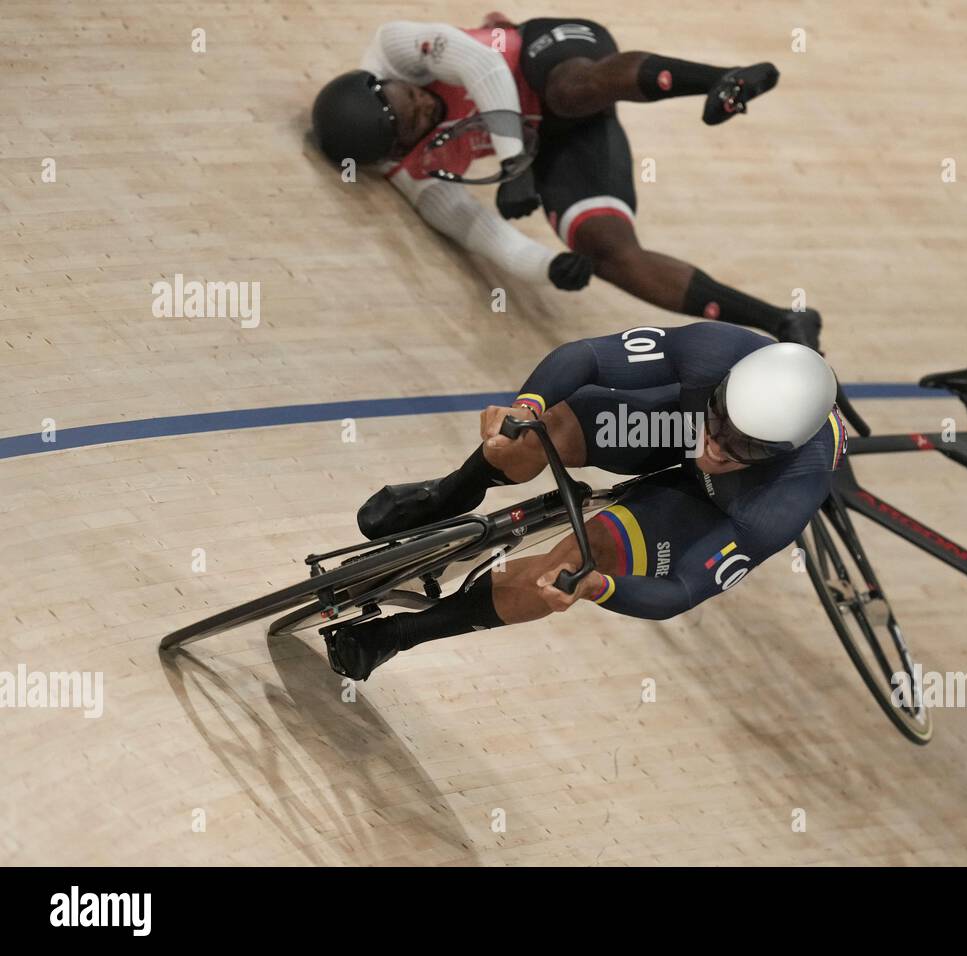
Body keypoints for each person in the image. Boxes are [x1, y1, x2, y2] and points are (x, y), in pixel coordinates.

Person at [326, 321, 848, 680]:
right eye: (722, 417)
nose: (718, 444)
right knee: (534, 433)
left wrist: (598, 588)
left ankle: (401, 633)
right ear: (726, 383)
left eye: (745, 445)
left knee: (576, 564)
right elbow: (589, 358)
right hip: (673, 423)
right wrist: (524, 405)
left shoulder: (781, 502)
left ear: (782, 452)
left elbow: (682, 589)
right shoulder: (715, 350)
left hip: (712, 503)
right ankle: (449, 494)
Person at [311, 13, 821, 349]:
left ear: (383, 80)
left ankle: (725, 80)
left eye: (413, 95)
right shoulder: (412, 174)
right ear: (397, 149)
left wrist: (513, 165)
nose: (425, 104)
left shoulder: (392, 47)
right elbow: (476, 229)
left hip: (544, 59)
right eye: (416, 121)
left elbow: (481, 63)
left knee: (569, 90)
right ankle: (781, 321)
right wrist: (548, 265)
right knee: (607, 252)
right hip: (554, 142)